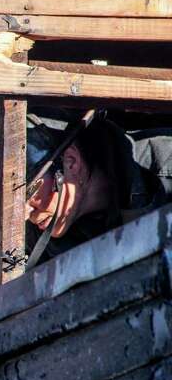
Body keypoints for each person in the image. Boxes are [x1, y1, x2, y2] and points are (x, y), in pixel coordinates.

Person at [25, 111, 172, 265]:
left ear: (71, 162)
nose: (25, 214)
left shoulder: (163, 166)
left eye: (29, 192)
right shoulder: (42, 240)